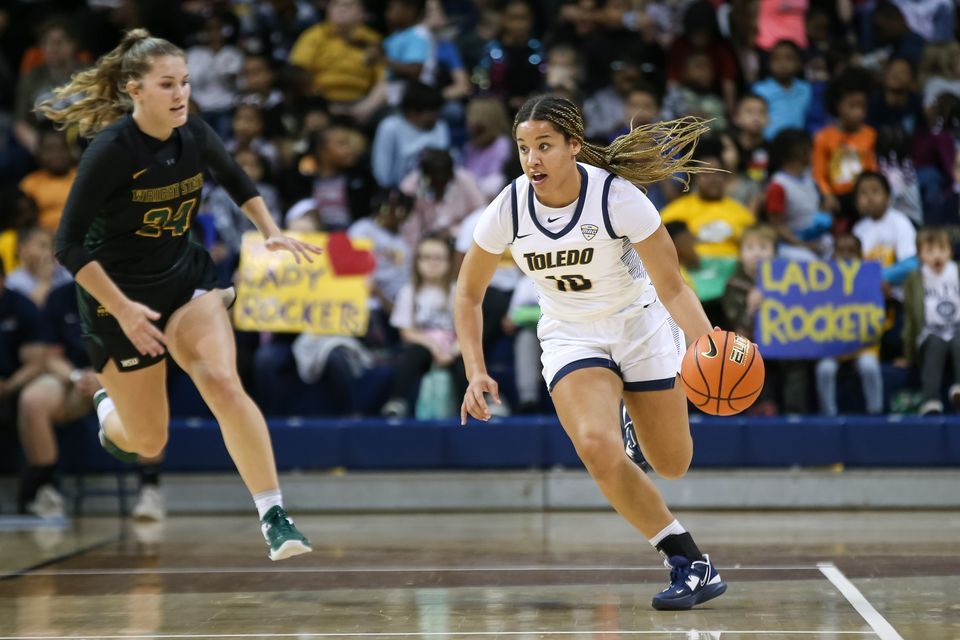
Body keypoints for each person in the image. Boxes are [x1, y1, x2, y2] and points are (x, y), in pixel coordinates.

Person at [37, 29, 321, 560]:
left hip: (186, 281)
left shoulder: (193, 132)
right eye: (167, 84)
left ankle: (274, 516)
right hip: (116, 301)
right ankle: (104, 404)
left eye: (185, 83)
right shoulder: (111, 151)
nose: (181, 94)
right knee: (147, 441)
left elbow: (235, 177)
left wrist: (269, 228)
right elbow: (66, 246)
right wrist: (122, 310)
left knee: (220, 379)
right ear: (134, 89)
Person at [456, 95, 726, 610]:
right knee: (595, 447)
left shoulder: (619, 199)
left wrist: (707, 343)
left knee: (672, 464)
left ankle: (633, 425)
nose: (532, 160)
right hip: (572, 334)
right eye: (523, 148)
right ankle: (689, 562)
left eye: (544, 146)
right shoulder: (509, 208)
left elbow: (672, 286)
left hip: (640, 326)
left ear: (573, 146)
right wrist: (475, 370)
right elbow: (468, 294)